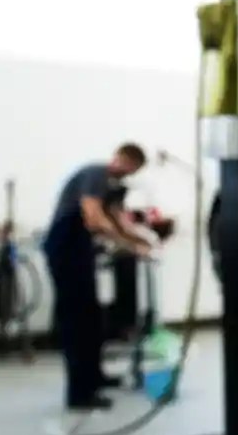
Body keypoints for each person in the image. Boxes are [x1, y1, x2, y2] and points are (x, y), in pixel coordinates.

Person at [44, 143, 155, 411]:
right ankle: (79, 395)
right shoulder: (95, 174)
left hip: (82, 252)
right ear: (119, 158)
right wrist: (130, 245)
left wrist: (147, 241)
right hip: (65, 249)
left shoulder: (114, 185)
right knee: (76, 321)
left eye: (134, 170)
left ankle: (95, 378)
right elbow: (94, 218)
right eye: (128, 165)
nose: (128, 172)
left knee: (93, 318)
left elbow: (118, 220)